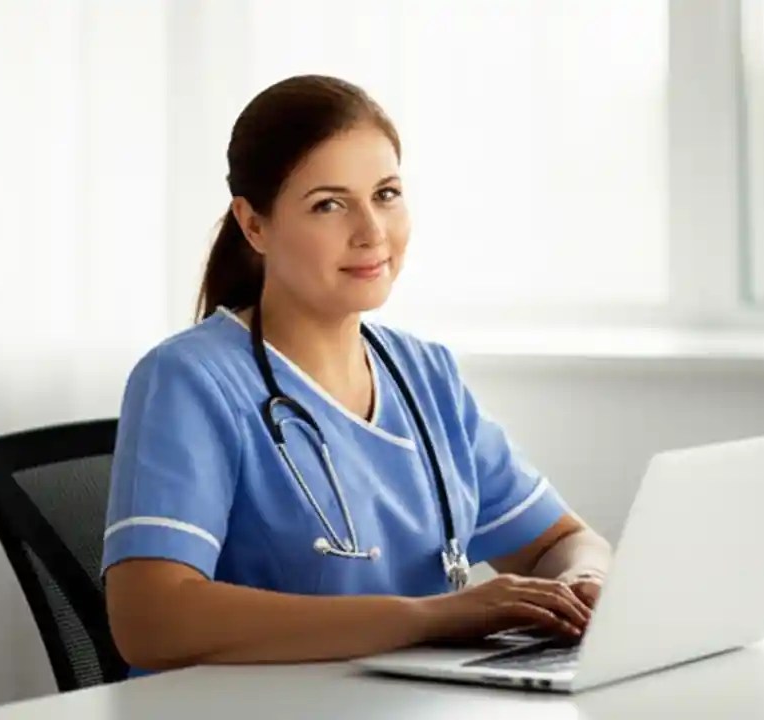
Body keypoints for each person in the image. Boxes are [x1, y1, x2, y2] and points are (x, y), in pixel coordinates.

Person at [102, 75, 612, 674]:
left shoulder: (424, 376)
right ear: (254, 225)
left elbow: (559, 542)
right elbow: (151, 621)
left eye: (387, 194)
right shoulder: (190, 380)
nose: (371, 232)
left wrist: (585, 583)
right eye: (329, 204)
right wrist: (433, 617)